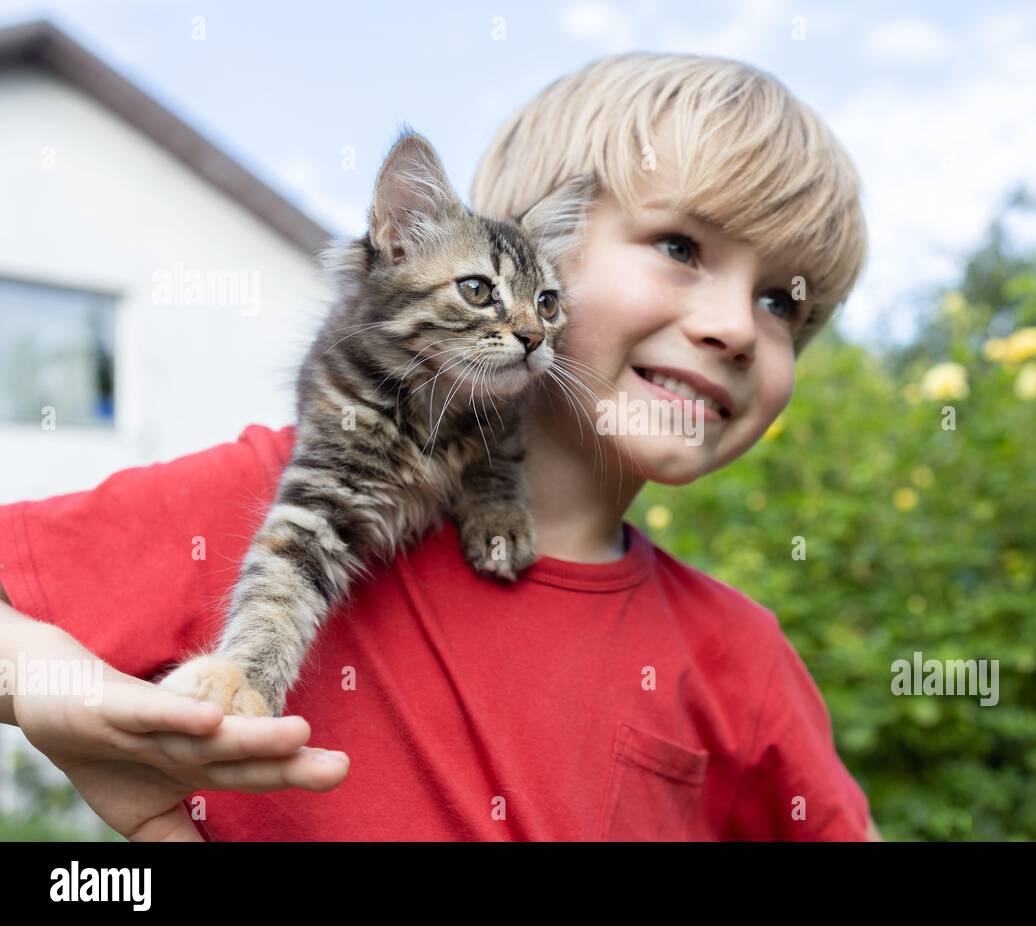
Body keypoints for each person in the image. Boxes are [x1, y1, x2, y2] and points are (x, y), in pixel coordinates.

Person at [0, 52, 876, 841]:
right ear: (553, 250)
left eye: (783, 304)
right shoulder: (261, 494)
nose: (732, 326)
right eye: (681, 246)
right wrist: (45, 678)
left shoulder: (742, 656)